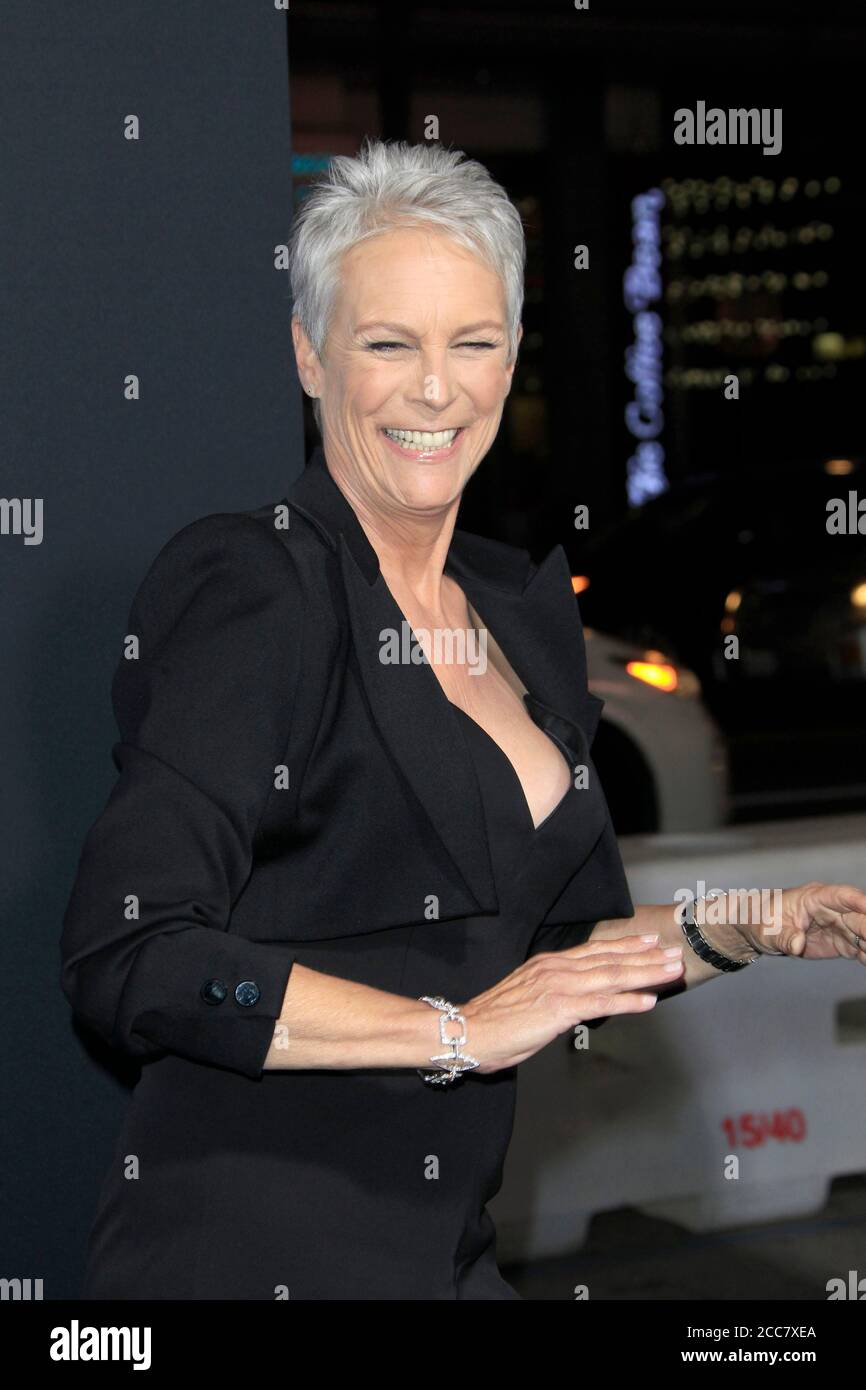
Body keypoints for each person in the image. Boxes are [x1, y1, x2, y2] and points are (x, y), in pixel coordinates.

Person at [60, 138, 866, 1301]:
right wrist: (451, 1032)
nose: (434, 388)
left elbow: (553, 959)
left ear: (511, 357)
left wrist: (751, 926)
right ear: (308, 355)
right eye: (387, 343)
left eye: (471, 342)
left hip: (442, 1244)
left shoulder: (515, 612)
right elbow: (129, 952)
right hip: (248, 1247)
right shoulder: (260, 589)